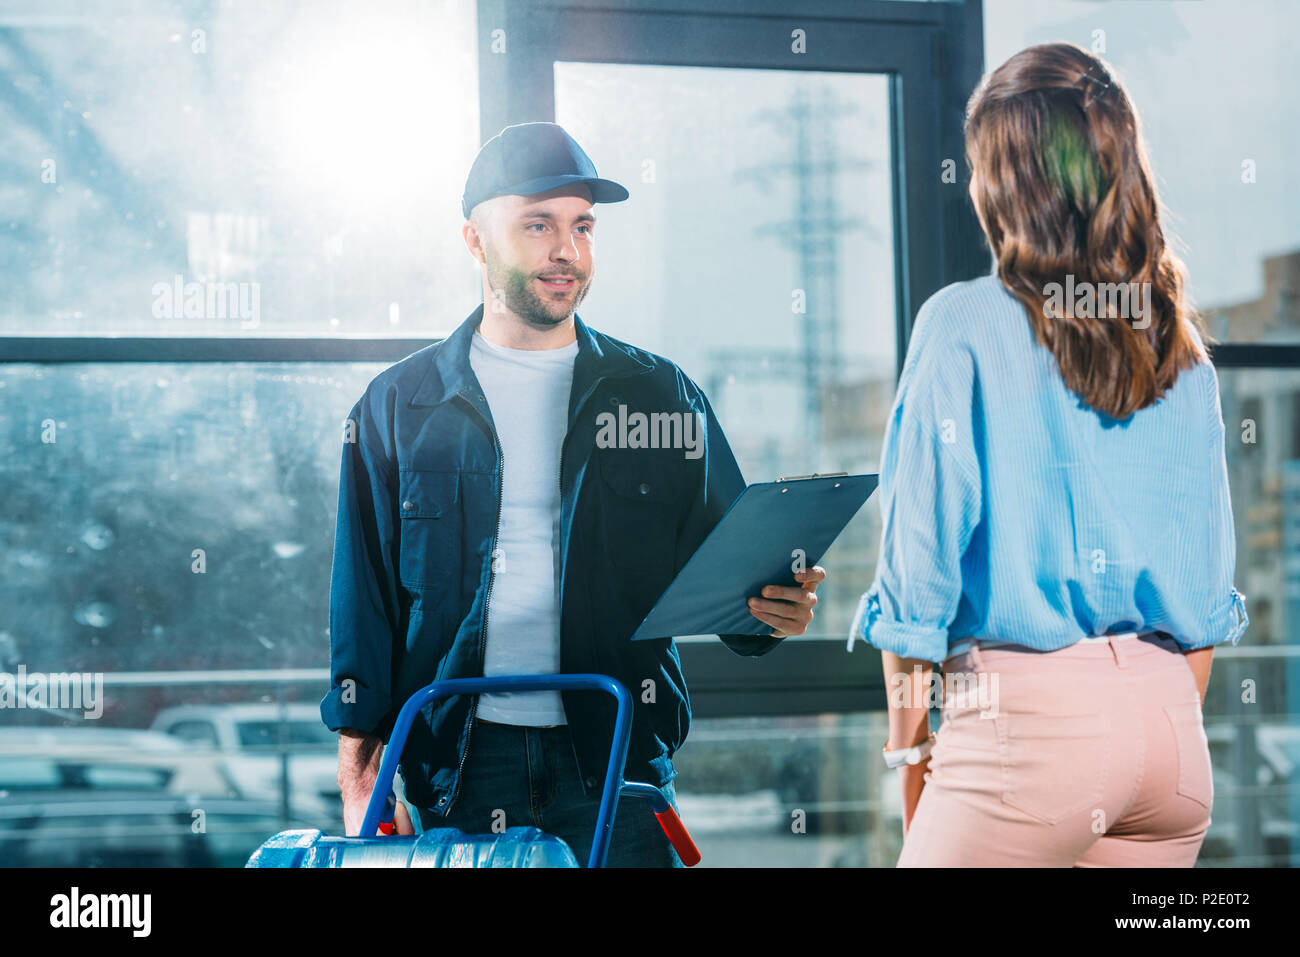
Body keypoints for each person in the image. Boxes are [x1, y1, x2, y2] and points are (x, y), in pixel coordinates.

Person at [322, 121, 826, 867]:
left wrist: (777, 608)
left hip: (617, 763)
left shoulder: (657, 393)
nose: (567, 249)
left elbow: (731, 575)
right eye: (538, 225)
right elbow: (363, 608)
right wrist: (362, 778)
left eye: (582, 226)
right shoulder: (398, 406)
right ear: (475, 240)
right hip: (457, 771)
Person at [849, 43, 1249, 867]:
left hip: (1024, 731)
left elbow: (917, 584)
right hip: (1172, 735)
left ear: (1003, 184)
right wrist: (1140, 726)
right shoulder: (1182, 351)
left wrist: (909, 752)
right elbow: (1205, 599)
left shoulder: (962, 325)